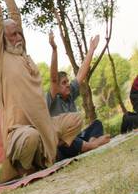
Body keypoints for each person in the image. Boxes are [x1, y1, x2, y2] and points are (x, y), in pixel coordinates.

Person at [0, 0, 86, 178]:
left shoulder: (24, 56)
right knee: (30, 138)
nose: (17, 37)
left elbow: (14, 14)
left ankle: (44, 157)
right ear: (2, 38)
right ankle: (24, 168)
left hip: (44, 125)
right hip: (19, 133)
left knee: (75, 120)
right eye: (12, 35)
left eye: (19, 33)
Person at [46, 29, 108, 159]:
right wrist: (54, 49)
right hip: (63, 142)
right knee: (66, 142)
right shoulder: (52, 98)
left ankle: (89, 143)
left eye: (67, 81)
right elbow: (52, 78)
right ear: (56, 86)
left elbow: (80, 75)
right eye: (64, 83)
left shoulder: (70, 93)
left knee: (97, 124)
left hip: (77, 138)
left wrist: (91, 49)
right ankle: (91, 146)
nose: (68, 84)